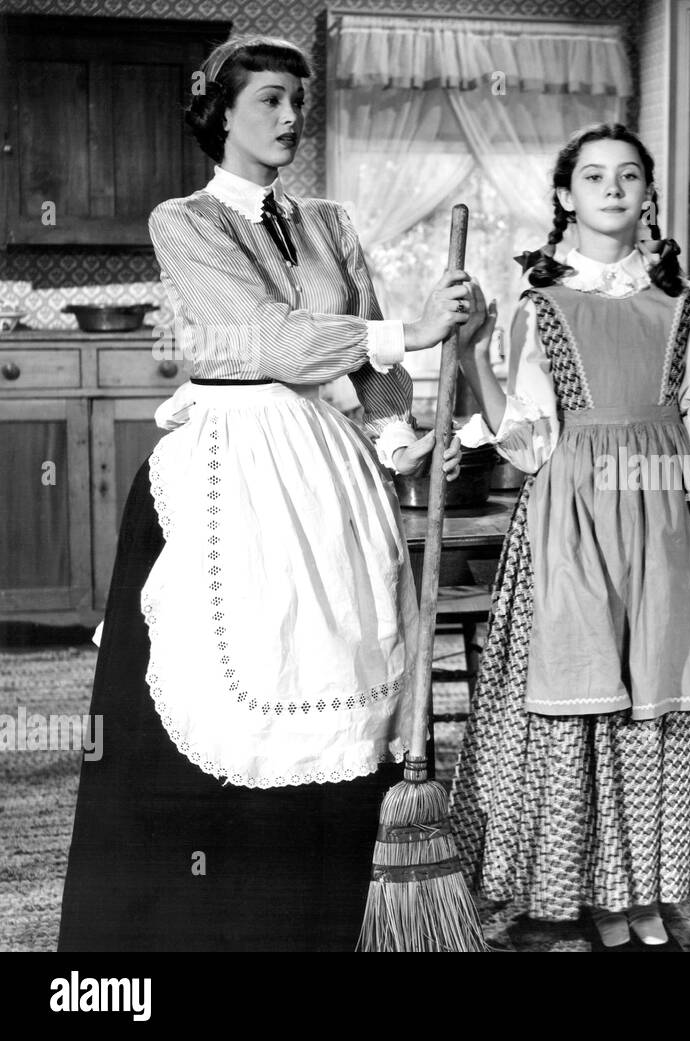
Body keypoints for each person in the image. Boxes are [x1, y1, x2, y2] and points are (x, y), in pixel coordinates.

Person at [58, 34, 478, 951]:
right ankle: (204, 919)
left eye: (298, 102)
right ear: (222, 113)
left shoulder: (330, 222)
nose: (291, 118)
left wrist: (403, 437)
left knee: (339, 669)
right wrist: (409, 329)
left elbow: (371, 371)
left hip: (326, 471)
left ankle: (321, 910)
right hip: (228, 471)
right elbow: (272, 341)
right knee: (224, 674)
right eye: (271, 102)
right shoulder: (188, 222)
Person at [447, 123, 690, 949]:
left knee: (663, 696)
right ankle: (598, 893)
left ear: (647, 196)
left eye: (630, 175)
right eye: (595, 176)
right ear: (566, 196)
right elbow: (527, 436)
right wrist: (472, 361)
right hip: (574, 516)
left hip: (672, 510)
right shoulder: (539, 307)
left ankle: (647, 889)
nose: (613, 188)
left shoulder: (681, 305)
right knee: (587, 695)